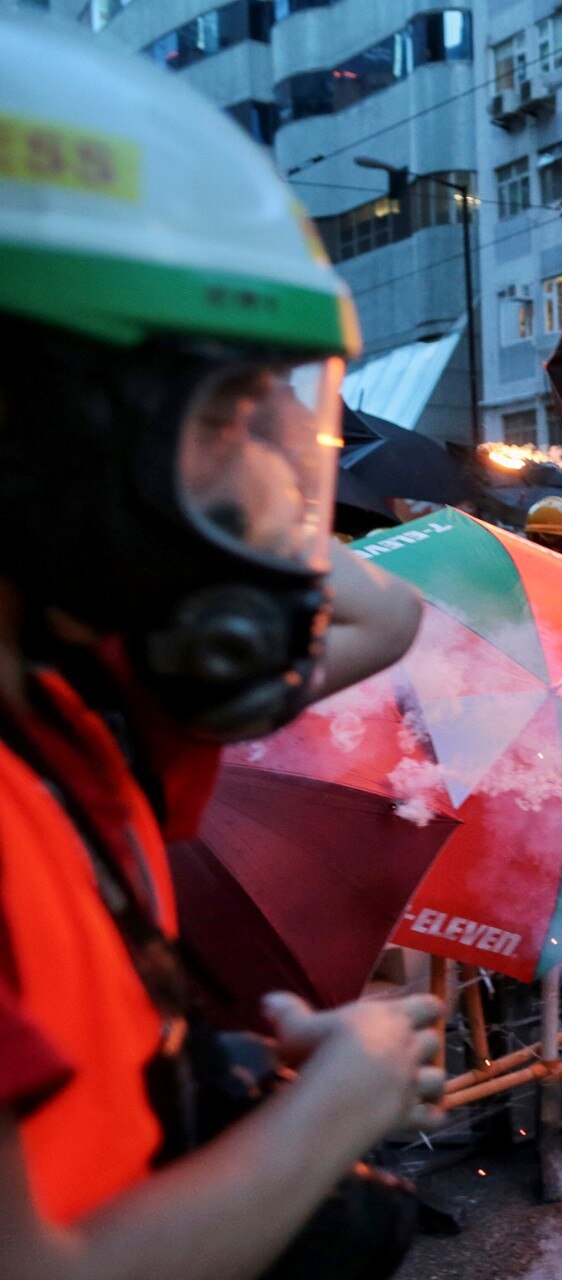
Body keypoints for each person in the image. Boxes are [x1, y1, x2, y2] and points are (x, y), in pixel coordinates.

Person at [0, 19, 444, 1280]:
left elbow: (378, 610)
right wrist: (335, 1105)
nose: (262, 470)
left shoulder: (74, 716)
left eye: (272, 416)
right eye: (222, 416)